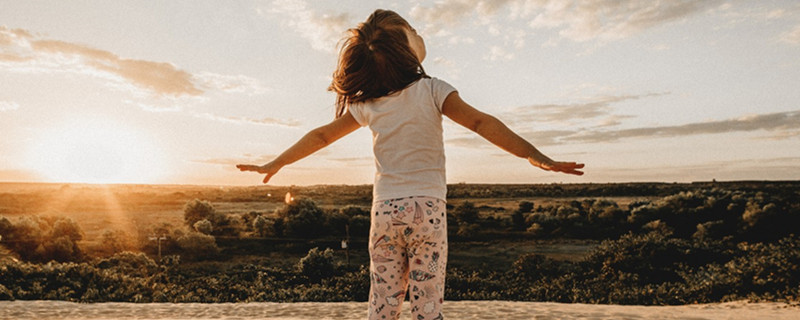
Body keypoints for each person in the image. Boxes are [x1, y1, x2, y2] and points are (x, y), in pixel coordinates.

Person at [237, 9, 584, 320]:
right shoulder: (432, 90)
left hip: (385, 212)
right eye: (413, 31)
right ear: (407, 51)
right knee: (427, 305)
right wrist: (534, 155)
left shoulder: (368, 104)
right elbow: (481, 123)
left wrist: (277, 161)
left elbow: (321, 137)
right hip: (428, 211)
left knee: (383, 304)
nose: (420, 34)